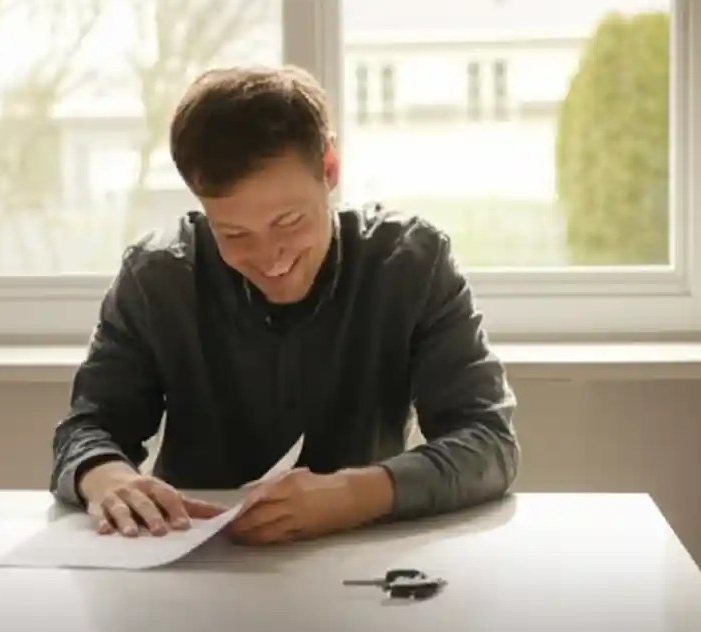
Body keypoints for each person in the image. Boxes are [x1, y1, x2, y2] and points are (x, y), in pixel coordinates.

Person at [50, 65, 519, 545]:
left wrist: (355, 495)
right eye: (233, 234)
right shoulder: (156, 277)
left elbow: (489, 443)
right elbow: (85, 430)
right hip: (190, 564)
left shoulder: (412, 265)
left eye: (289, 220)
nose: (269, 258)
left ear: (330, 168)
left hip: (357, 567)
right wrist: (107, 477)